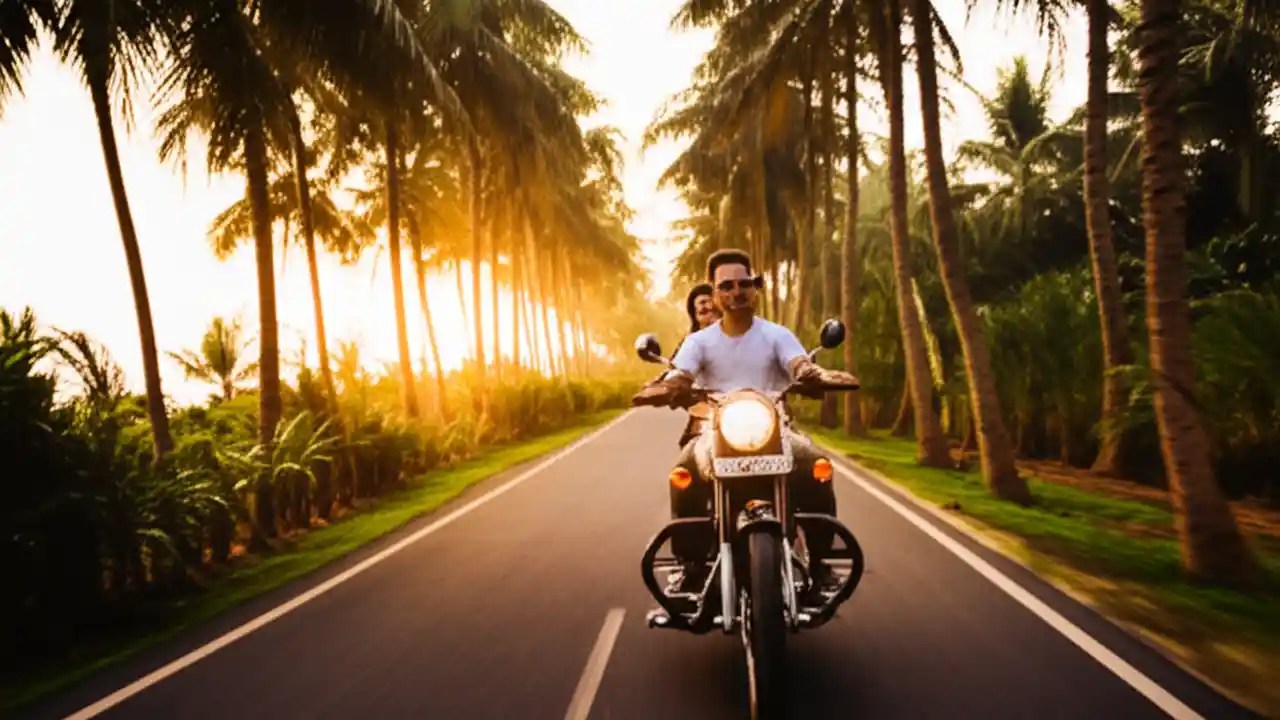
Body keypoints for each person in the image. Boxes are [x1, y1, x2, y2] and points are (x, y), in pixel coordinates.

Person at [633, 248, 857, 593]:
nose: (736, 292)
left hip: (776, 428)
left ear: (755, 287)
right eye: (726, 286)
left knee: (817, 468)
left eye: (744, 284)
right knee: (683, 473)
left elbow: (799, 363)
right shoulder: (699, 342)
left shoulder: (777, 334)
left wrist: (815, 375)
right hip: (716, 432)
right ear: (715, 293)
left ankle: (819, 561)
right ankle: (692, 564)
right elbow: (681, 373)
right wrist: (666, 387)